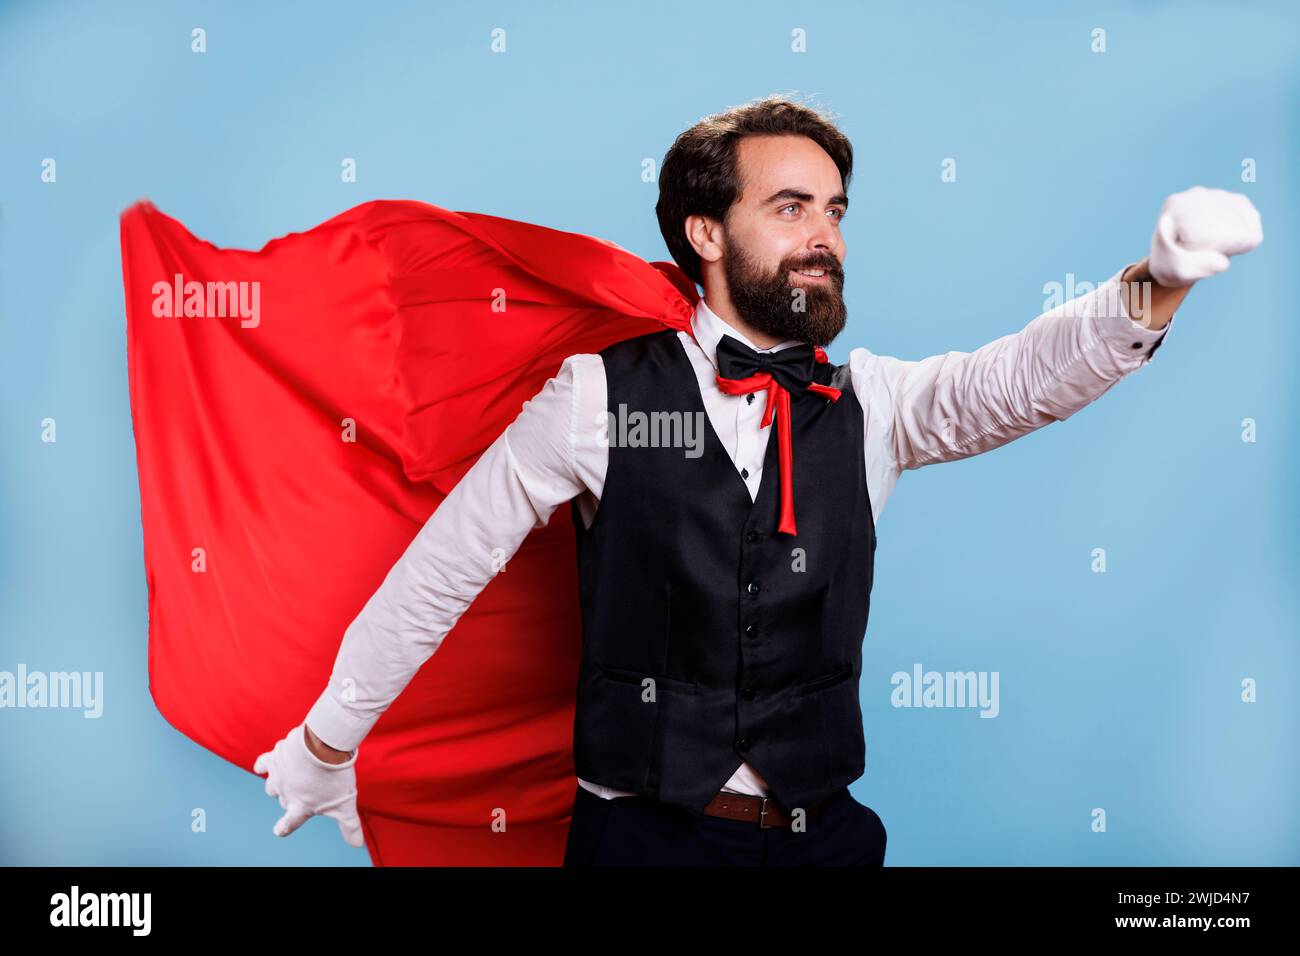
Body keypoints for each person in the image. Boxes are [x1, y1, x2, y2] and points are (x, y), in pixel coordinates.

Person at [252, 95, 1262, 866]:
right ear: (705, 232)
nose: (823, 234)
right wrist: (328, 739)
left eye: (832, 209)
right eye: (789, 207)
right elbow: (445, 568)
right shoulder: (595, 397)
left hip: (822, 842)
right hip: (638, 848)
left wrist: (1154, 280)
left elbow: (1025, 375)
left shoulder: (877, 403)